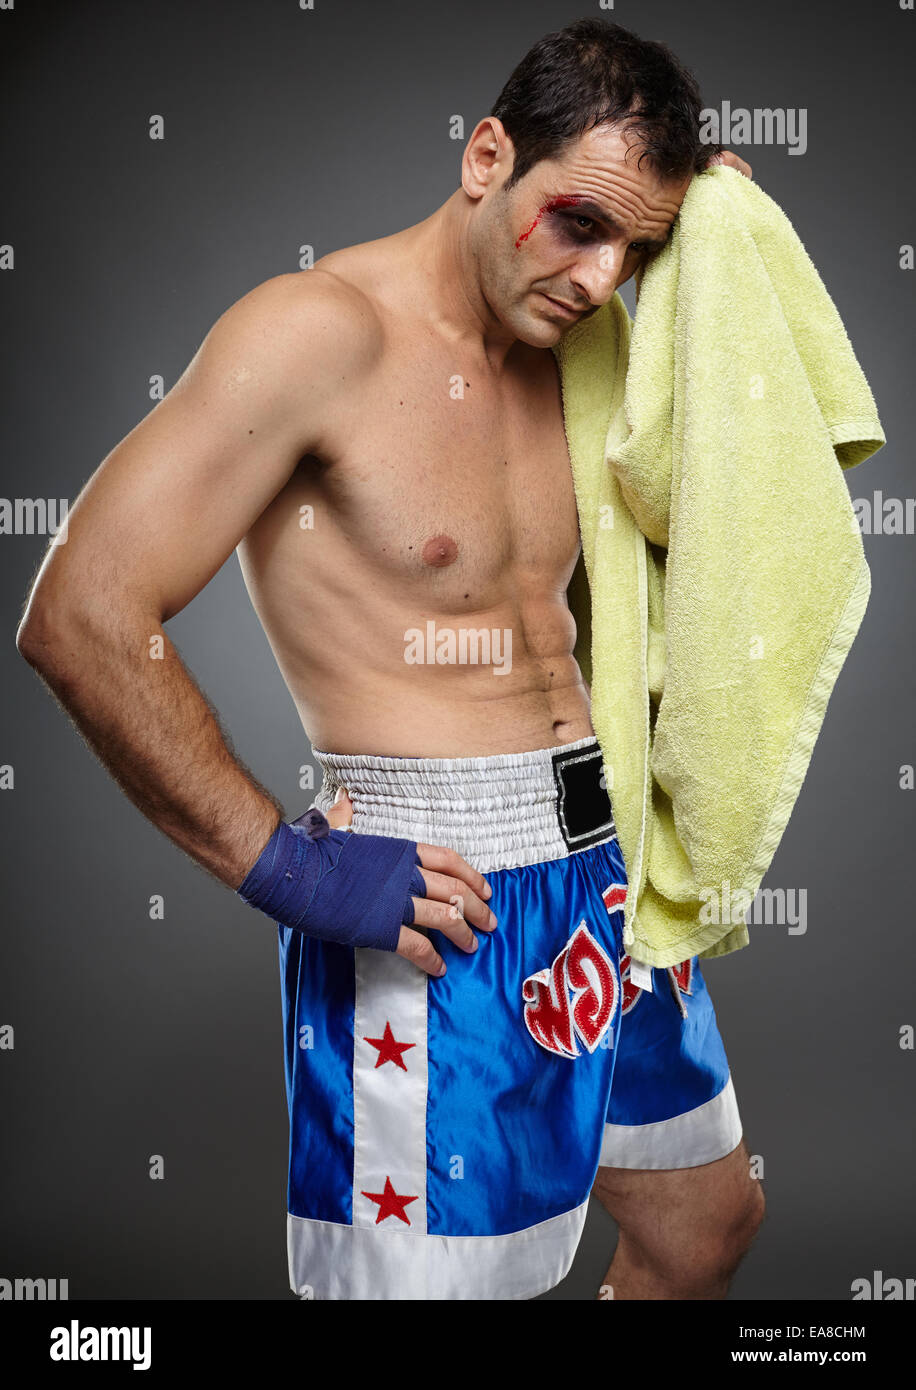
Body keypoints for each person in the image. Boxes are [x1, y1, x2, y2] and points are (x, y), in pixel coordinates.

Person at [16, 17, 763, 1299]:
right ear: (485, 158)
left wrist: (727, 260)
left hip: (603, 873)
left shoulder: (584, 349)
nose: (598, 276)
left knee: (704, 1227)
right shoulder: (317, 335)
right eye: (577, 222)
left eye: (633, 247)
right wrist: (283, 865)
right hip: (437, 904)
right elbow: (80, 612)